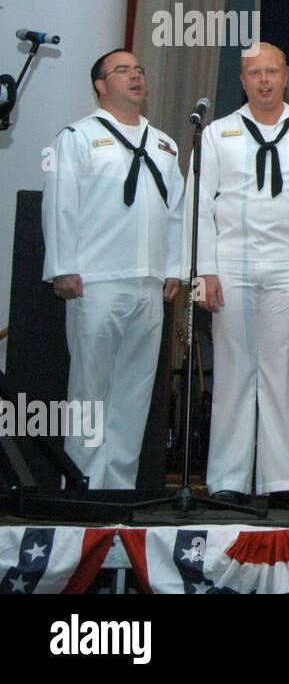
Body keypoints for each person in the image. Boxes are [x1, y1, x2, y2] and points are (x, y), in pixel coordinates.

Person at [192, 42, 289, 511]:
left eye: (272, 72)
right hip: (230, 264)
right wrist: (204, 272)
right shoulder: (218, 134)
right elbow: (200, 204)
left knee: (281, 370)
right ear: (242, 80)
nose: (264, 81)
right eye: (255, 73)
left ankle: (282, 478)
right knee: (236, 370)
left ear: (284, 77)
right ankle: (227, 478)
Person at [41, 50, 185, 488]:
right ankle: (82, 486)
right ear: (101, 85)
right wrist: (63, 267)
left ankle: (118, 490)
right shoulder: (78, 137)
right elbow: (60, 204)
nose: (135, 76)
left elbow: (176, 211)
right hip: (96, 281)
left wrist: (174, 266)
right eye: (123, 71)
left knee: (134, 392)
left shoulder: (163, 143)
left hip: (149, 283)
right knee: (90, 391)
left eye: (139, 70)